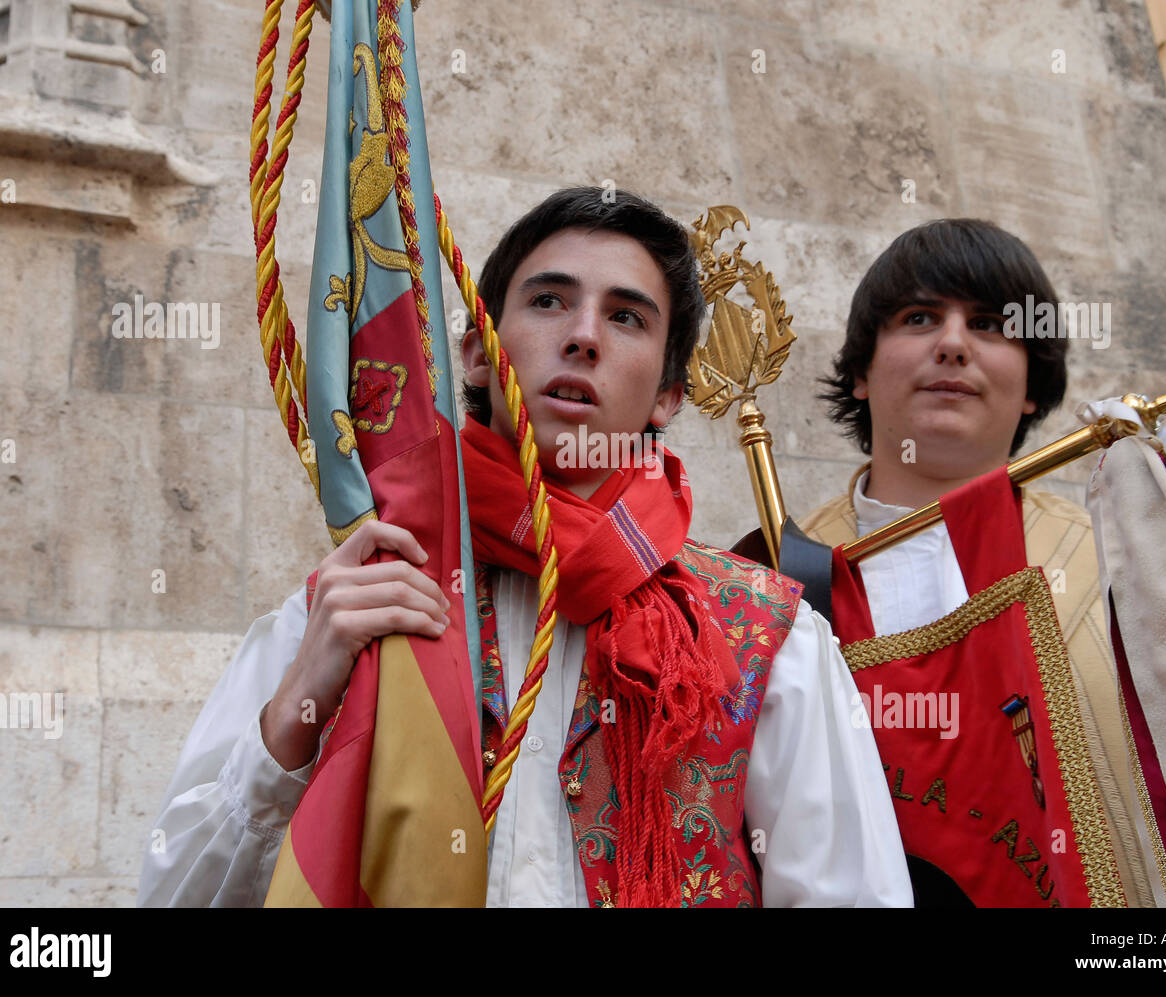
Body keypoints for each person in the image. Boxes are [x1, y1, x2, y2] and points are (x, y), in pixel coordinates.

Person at [139, 187, 912, 908]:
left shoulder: (771, 638)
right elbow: (177, 892)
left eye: (627, 318)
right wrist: (300, 703)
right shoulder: (355, 603)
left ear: (669, 395)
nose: (581, 336)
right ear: (477, 352)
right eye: (548, 301)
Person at [801, 218, 1166, 906]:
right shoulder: (773, 579)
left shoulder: (1118, 568)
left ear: (1030, 388)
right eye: (919, 317)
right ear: (863, 373)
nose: (953, 344)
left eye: (989, 324)